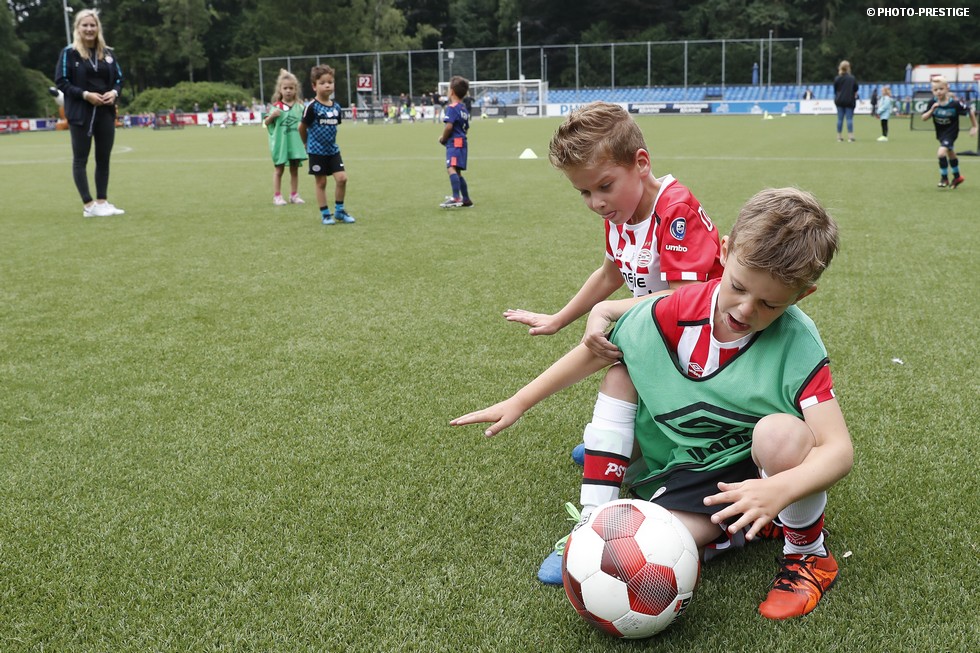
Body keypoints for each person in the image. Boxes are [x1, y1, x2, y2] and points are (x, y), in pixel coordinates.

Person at [452, 187, 852, 621]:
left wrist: (780, 487)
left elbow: (837, 449)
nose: (745, 308)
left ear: (801, 296)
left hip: (749, 465)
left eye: (770, 304)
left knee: (782, 434)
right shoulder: (674, 309)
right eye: (738, 286)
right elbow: (596, 351)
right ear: (726, 250)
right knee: (620, 375)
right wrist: (520, 400)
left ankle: (808, 554)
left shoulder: (797, 340)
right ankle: (593, 521)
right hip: (688, 463)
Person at [54, 8, 125, 218]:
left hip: (105, 111)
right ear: (78, 28)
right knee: (80, 159)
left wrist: (113, 92)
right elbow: (61, 82)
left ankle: (102, 202)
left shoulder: (108, 53)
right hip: (80, 113)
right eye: (84, 25)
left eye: (92, 25)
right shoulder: (69, 53)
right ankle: (88, 205)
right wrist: (85, 95)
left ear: (98, 28)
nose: (89, 29)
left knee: (103, 158)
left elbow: (120, 79)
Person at [299, 64, 356, 225]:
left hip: (332, 150)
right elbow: (301, 127)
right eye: (323, 82)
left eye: (330, 82)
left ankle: (339, 211)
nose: (327, 85)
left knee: (342, 178)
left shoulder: (336, 107)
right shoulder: (311, 107)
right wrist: (306, 144)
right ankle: (325, 214)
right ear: (314, 86)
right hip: (316, 150)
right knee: (321, 182)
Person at [921, 76, 978, 188]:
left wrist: (975, 126)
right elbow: (923, 118)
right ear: (932, 91)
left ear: (947, 88)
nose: (938, 92)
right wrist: (932, 110)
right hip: (941, 133)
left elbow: (970, 111)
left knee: (941, 153)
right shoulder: (932, 102)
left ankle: (944, 178)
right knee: (950, 153)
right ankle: (957, 177)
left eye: (941, 89)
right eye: (935, 90)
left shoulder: (954, 104)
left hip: (951, 132)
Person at [264, 69, 307, 206]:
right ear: (280, 90)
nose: (288, 90)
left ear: (295, 90)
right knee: (279, 170)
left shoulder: (300, 107)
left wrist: (305, 141)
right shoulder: (276, 107)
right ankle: (277, 196)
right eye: (285, 88)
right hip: (281, 144)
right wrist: (272, 116)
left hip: (295, 143)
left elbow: (306, 125)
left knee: (294, 170)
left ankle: (294, 195)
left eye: (291, 88)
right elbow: (266, 123)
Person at [438, 75, 474, 209]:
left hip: (455, 142)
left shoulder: (452, 108)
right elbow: (466, 128)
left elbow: (449, 126)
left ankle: (456, 197)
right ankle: (466, 199)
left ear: (452, 91)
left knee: (451, 168)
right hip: (463, 141)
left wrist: (443, 138)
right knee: (458, 171)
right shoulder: (463, 109)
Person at [833, 60, 858, 142]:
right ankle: (850, 136)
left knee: (840, 119)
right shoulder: (852, 78)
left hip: (839, 100)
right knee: (849, 119)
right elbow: (855, 89)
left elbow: (835, 90)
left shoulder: (837, 78)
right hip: (849, 100)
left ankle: (839, 136)